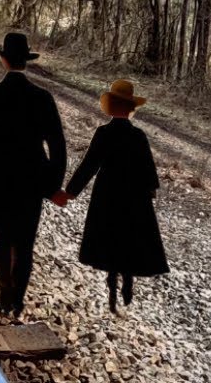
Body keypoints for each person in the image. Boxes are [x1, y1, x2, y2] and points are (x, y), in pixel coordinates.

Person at [0, 32, 68, 313]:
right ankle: (18, 299)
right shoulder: (43, 98)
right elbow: (58, 146)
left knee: (1, 239)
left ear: (3, 60)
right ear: (26, 61)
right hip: (32, 179)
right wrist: (52, 185)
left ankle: (4, 291)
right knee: (24, 243)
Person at [61, 79, 169, 313]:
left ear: (111, 107)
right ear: (130, 109)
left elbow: (89, 165)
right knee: (128, 236)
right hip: (134, 195)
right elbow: (148, 167)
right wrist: (150, 190)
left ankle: (112, 281)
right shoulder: (138, 135)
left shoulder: (103, 133)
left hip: (107, 193)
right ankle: (127, 281)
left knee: (110, 235)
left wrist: (70, 191)